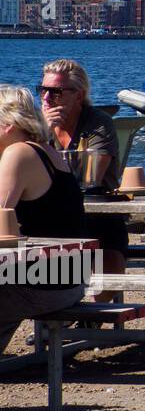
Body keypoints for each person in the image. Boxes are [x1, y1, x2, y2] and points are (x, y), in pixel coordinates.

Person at [0, 85, 86, 354]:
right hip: (71, 277)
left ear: (7, 124)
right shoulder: (46, 152)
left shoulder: (19, 154)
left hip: (44, 281)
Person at [40, 59, 124, 302]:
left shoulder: (97, 123)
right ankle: (57, 311)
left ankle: (90, 313)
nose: (46, 98)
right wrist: (43, 134)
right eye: (42, 89)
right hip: (53, 213)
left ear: (79, 95)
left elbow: (91, 176)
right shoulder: (37, 126)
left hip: (98, 213)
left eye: (55, 91)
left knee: (108, 260)